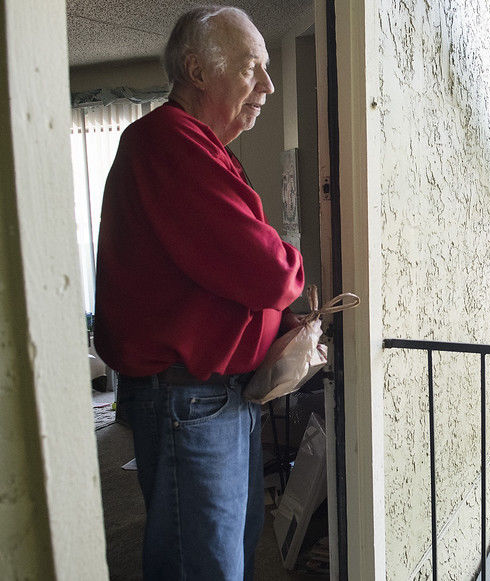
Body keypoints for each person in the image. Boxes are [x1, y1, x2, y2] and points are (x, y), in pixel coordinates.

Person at [94, 6, 304, 580]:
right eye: (251, 68)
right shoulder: (167, 141)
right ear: (196, 71)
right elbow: (269, 271)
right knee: (204, 566)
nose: (268, 85)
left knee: (227, 555)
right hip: (191, 400)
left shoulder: (200, 147)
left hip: (215, 397)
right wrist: (290, 269)